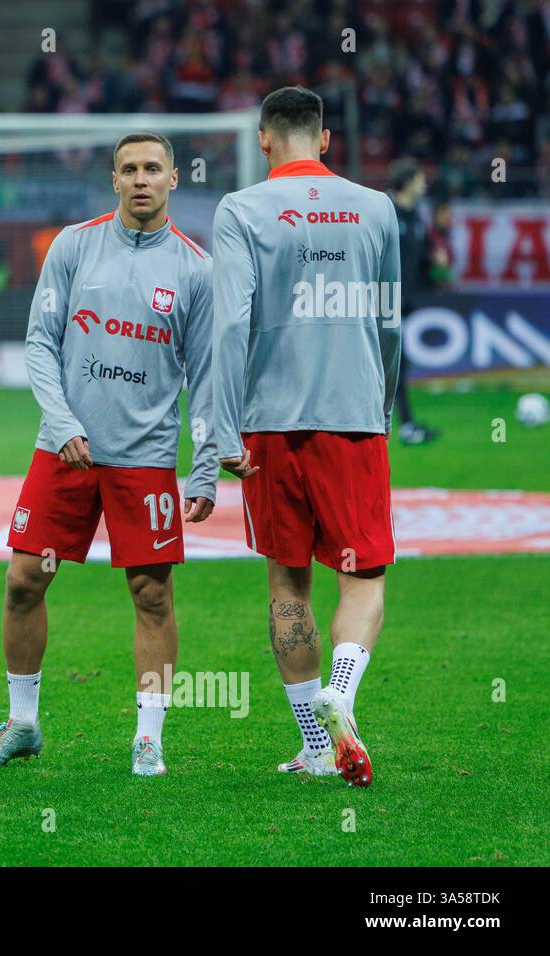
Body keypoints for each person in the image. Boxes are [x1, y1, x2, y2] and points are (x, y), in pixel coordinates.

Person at [0, 132, 217, 778]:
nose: (141, 179)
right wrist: (62, 420)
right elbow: (39, 343)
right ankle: (22, 723)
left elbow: (210, 376)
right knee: (24, 579)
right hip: (65, 450)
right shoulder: (73, 248)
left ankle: (148, 738)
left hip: (146, 458)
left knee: (152, 595)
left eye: (152, 169)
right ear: (113, 180)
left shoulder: (194, 269)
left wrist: (210, 463)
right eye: (129, 169)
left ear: (172, 181)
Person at [212, 86, 401, 788]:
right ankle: (343, 697)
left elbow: (230, 326)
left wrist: (223, 426)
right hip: (352, 415)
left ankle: (318, 742)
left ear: (264, 139)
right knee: (363, 575)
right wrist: (380, 403)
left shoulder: (240, 209)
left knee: (287, 581)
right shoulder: (376, 208)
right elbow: (389, 322)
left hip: (269, 423)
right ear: (324, 140)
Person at [388, 158, 440, 445]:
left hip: (401, 302)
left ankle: (405, 426)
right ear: (407, 181)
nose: (425, 184)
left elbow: (423, 260)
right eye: (421, 179)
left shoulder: (417, 217)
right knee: (391, 366)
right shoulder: (384, 211)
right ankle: (403, 426)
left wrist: (435, 263)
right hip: (376, 303)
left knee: (395, 367)